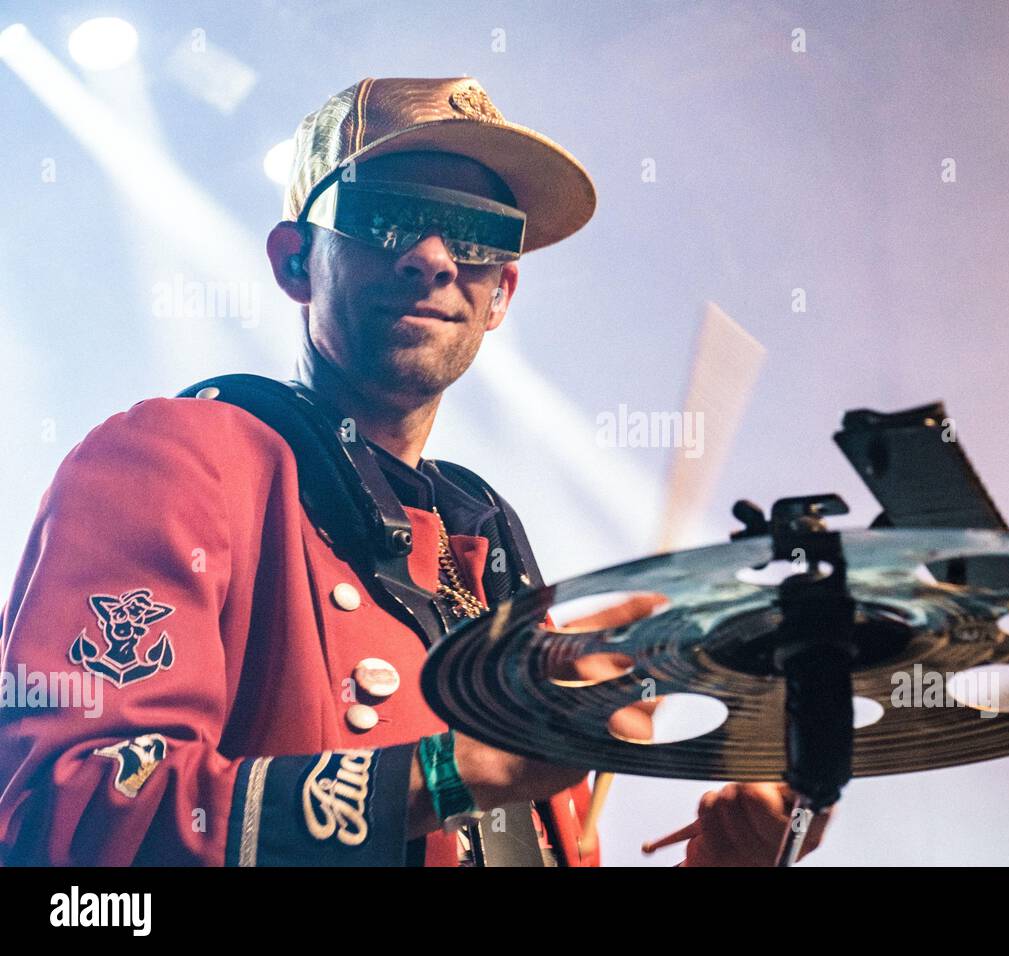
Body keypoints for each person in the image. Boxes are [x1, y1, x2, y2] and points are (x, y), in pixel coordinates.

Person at [0, 76, 828, 866]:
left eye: (475, 234)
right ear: (295, 261)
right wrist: (450, 771)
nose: (433, 257)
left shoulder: (488, 554)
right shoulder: (184, 460)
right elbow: (59, 821)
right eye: (387, 218)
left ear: (501, 291)